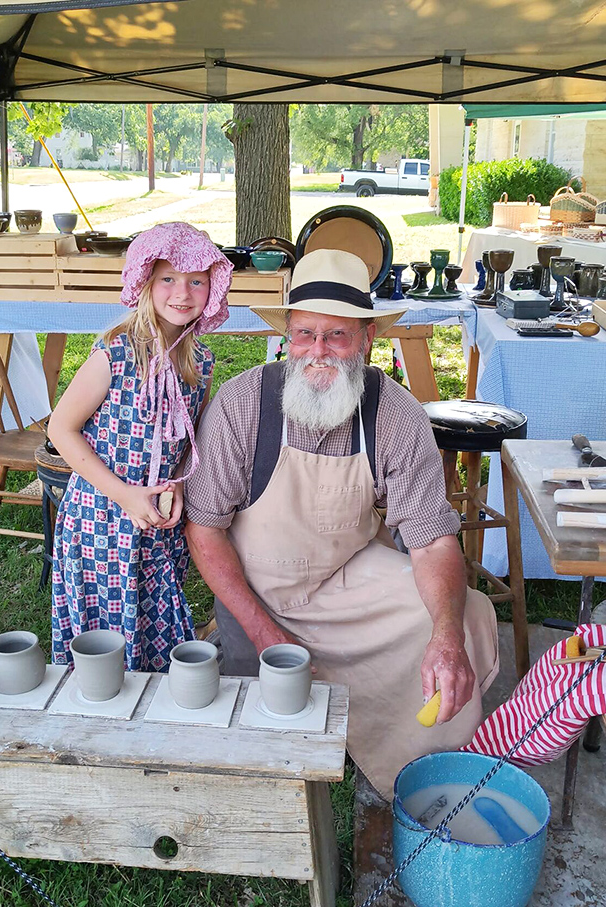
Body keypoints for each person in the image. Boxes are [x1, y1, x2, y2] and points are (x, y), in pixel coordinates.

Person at [184, 248, 498, 797]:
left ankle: (421, 781)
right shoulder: (244, 404)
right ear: (287, 335)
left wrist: (445, 638)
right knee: (253, 743)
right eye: (305, 334)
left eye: (337, 336)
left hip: (343, 582)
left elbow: (431, 542)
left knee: (464, 614)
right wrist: (263, 633)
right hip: (255, 591)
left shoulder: (396, 415)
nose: (318, 352)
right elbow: (204, 529)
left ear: (368, 338)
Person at [49, 222, 232, 672]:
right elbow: (61, 429)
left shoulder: (200, 364)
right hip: (101, 518)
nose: (182, 293)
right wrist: (124, 494)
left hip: (155, 521)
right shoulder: (115, 354)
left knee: (154, 623)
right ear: (145, 282)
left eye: (196, 281)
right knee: (104, 644)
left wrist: (181, 488)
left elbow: (191, 441)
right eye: (168, 278)